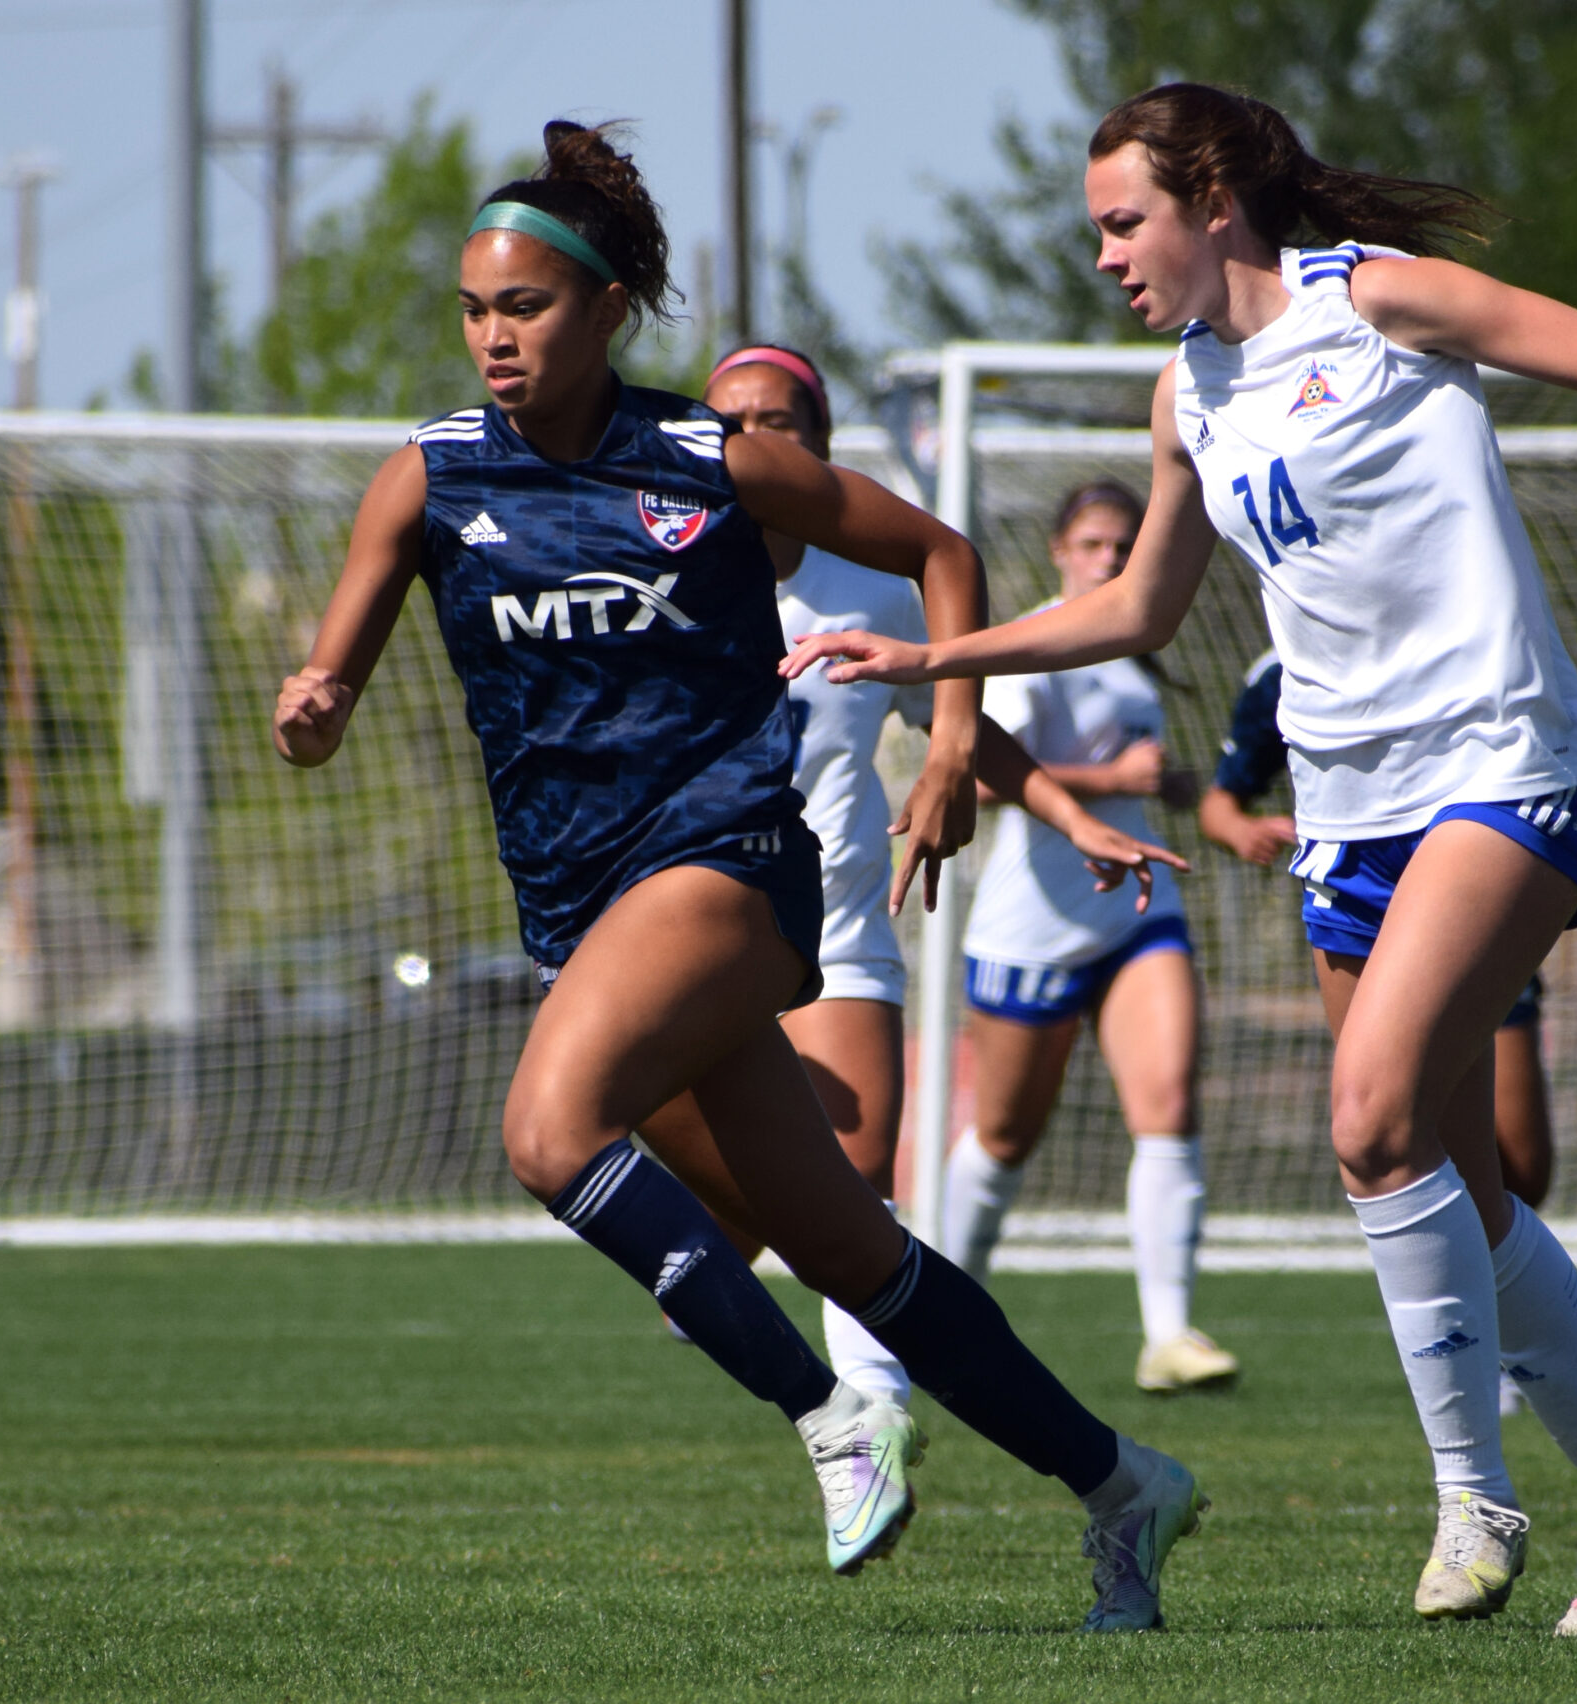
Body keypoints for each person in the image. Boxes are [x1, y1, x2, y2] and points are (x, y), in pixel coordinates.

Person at [782, 83, 1577, 1634]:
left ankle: (1475, 1500)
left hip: (1506, 769)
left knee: (1369, 1119)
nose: (1107, 256)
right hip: (1350, 812)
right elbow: (1136, 608)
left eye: (1123, 222)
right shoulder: (1183, 392)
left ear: (1211, 202)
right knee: (1446, 1175)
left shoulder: (1376, 296)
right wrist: (933, 661)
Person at [273, 121, 1205, 1632]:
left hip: (729, 863)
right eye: (473, 310)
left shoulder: (709, 461)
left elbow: (944, 554)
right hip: (580, 904)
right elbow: (324, 701)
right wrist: (309, 713)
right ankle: (1124, 1486)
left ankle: (835, 1423)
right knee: (852, 1248)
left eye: (527, 307)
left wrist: (956, 735)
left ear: (607, 310)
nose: (495, 337)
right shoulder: (427, 481)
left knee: (545, 1130)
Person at [635, 349, 1192, 1425]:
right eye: (732, 420)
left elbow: (963, 728)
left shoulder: (871, 588)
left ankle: (873, 1424)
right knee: (692, 1167)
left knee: (854, 1189)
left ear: (824, 441)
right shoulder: (660, 582)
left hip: (836, 926)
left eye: (779, 419)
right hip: (698, 932)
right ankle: (730, 1235)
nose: (754, 438)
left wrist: (1072, 814)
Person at [939, 479, 1239, 1396]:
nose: (1111, 562)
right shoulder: (1040, 644)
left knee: (1169, 1105)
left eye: (1125, 548)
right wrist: (1112, 779)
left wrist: (1182, 790)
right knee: (1002, 1135)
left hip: (1136, 914)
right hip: (1035, 924)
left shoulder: (1139, 642)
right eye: (1097, 546)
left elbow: (1135, 774)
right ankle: (939, 1312)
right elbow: (985, 779)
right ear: (1064, 551)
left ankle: (1170, 1335)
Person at [1202, 650, 1556, 1213]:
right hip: (1369, 917)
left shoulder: (1454, 637)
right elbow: (1218, 805)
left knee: (1523, 1175)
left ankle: (1483, 1285)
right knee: (1396, 1143)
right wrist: (1242, 831)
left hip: (1475, 903)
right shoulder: (1283, 672)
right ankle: (1442, 1289)